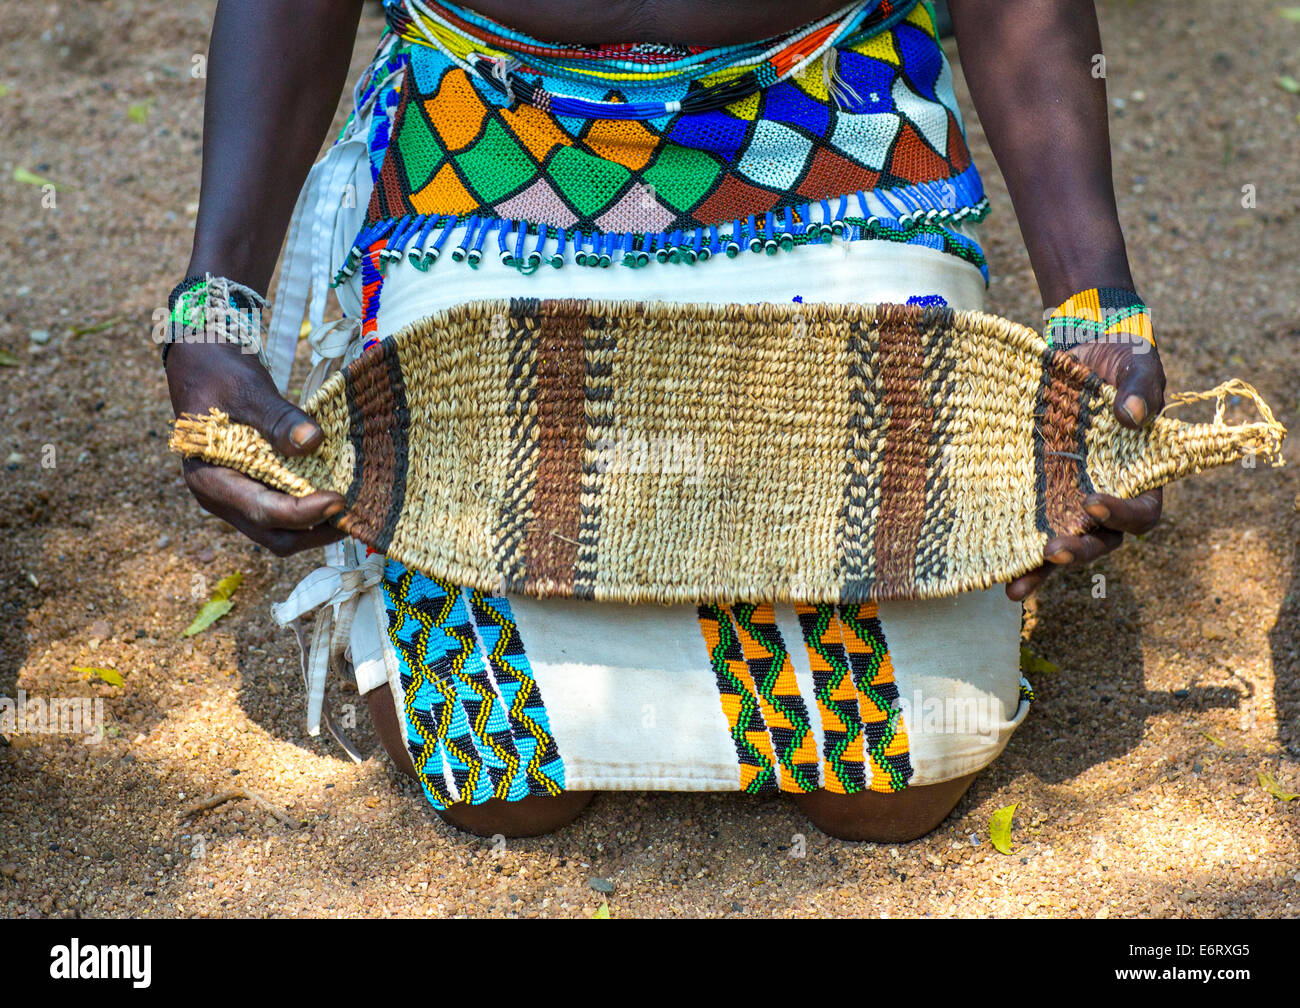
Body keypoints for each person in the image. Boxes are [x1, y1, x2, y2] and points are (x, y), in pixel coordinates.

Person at [165, 0, 1165, 842]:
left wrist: (1093, 306)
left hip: (830, 137)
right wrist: (216, 308)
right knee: (498, 771)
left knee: (894, 779)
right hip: (482, 156)